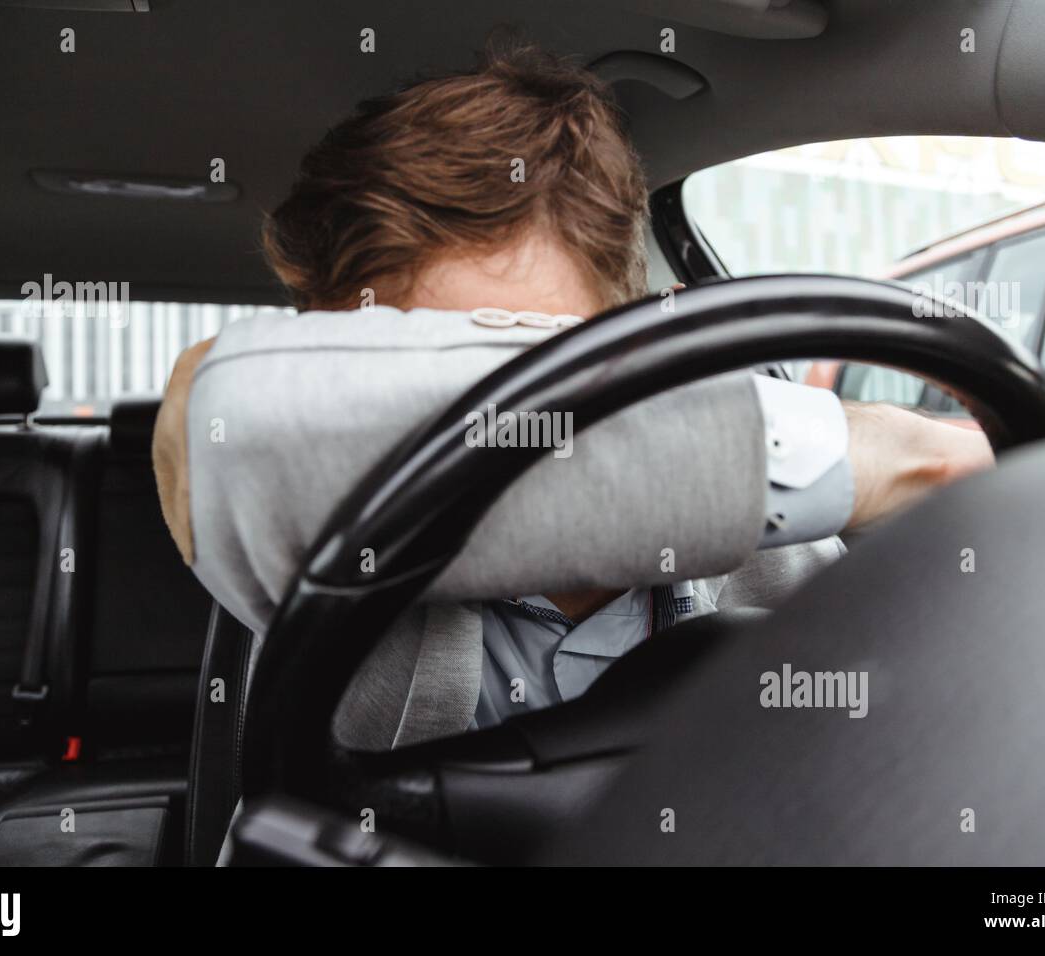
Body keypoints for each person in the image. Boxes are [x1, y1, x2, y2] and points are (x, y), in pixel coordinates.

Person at [153, 45, 992, 747]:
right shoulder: (328, 564)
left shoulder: (778, 556)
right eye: (419, 376)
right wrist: (915, 452)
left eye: (535, 362)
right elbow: (244, 427)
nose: (502, 422)